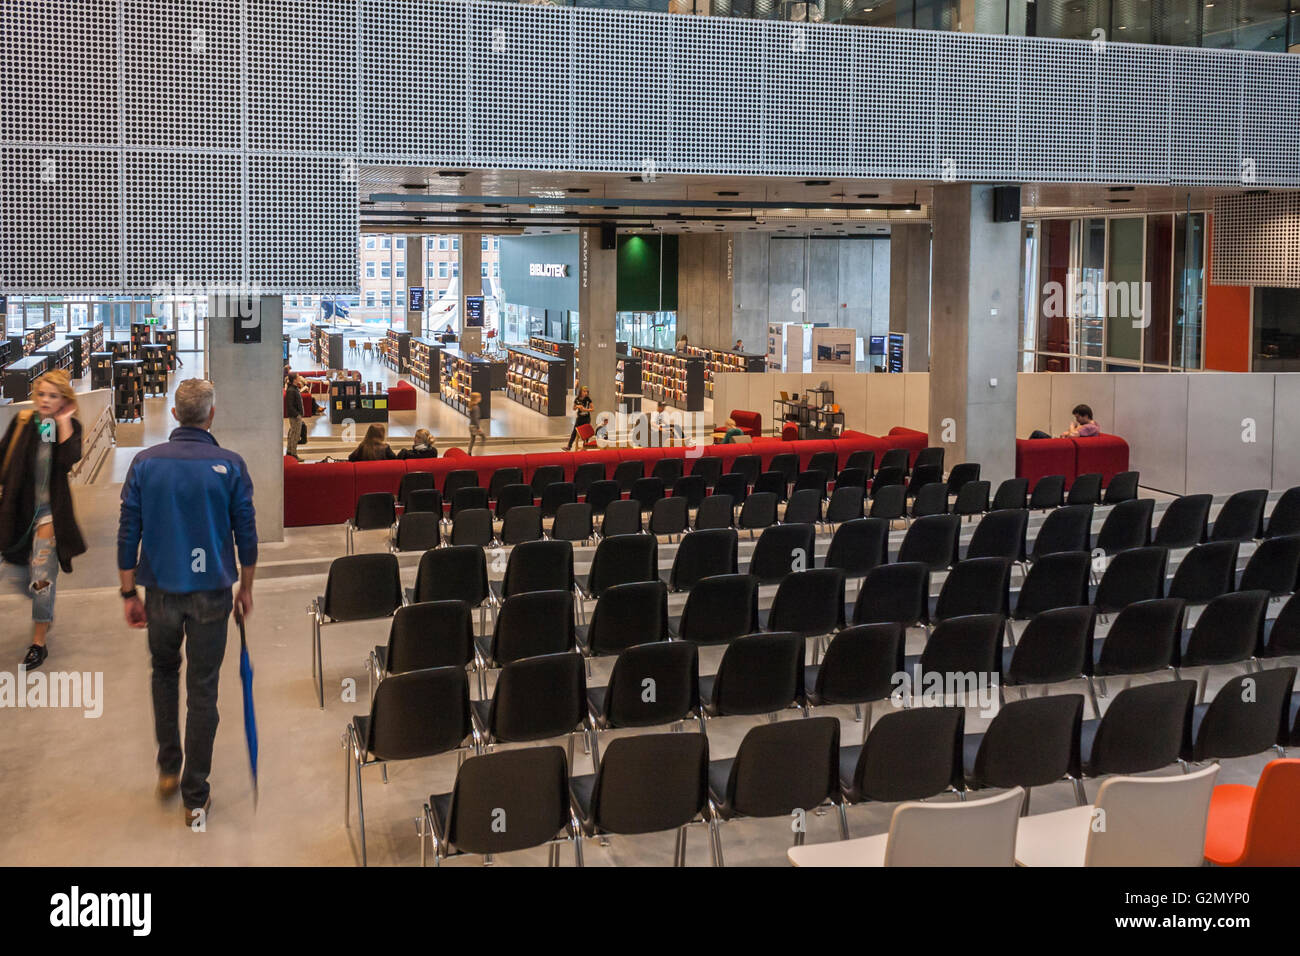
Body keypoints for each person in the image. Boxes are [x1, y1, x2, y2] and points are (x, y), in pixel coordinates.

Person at [117, 378, 257, 825]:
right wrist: (246, 588)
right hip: (213, 595)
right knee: (203, 689)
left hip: (159, 592)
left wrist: (127, 593)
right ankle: (195, 794)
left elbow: (128, 534)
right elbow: (246, 536)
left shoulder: (143, 463)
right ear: (211, 416)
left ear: (174, 415)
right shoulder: (231, 465)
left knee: (162, 673)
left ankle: (167, 766)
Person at [0, 369, 86, 670]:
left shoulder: (69, 426)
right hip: (18, 512)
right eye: (41, 394)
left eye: (53, 395)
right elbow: (3, 460)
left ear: (64, 398)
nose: (46, 400)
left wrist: (63, 422)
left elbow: (67, 460)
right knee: (20, 577)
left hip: (49, 515)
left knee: (42, 581)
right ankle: (43, 610)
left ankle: (38, 643)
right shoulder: (23, 423)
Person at [563, 386, 593, 451]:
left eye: (586, 392)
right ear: (580, 392)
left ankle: (585, 447)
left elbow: (592, 409)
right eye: (584, 391)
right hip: (579, 418)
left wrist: (585, 409)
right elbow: (573, 408)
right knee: (574, 431)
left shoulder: (588, 399)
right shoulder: (577, 399)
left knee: (586, 433)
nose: (585, 393)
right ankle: (569, 446)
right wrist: (577, 407)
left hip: (586, 418)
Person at [284, 372, 304, 460]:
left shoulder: (294, 388)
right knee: (295, 435)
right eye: (298, 376)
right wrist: (297, 415)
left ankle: (289, 451)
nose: (300, 378)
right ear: (295, 379)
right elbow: (290, 405)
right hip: (295, 416)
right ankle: (293, 454)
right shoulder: (291, 390)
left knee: (292, 433)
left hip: (295, 415)